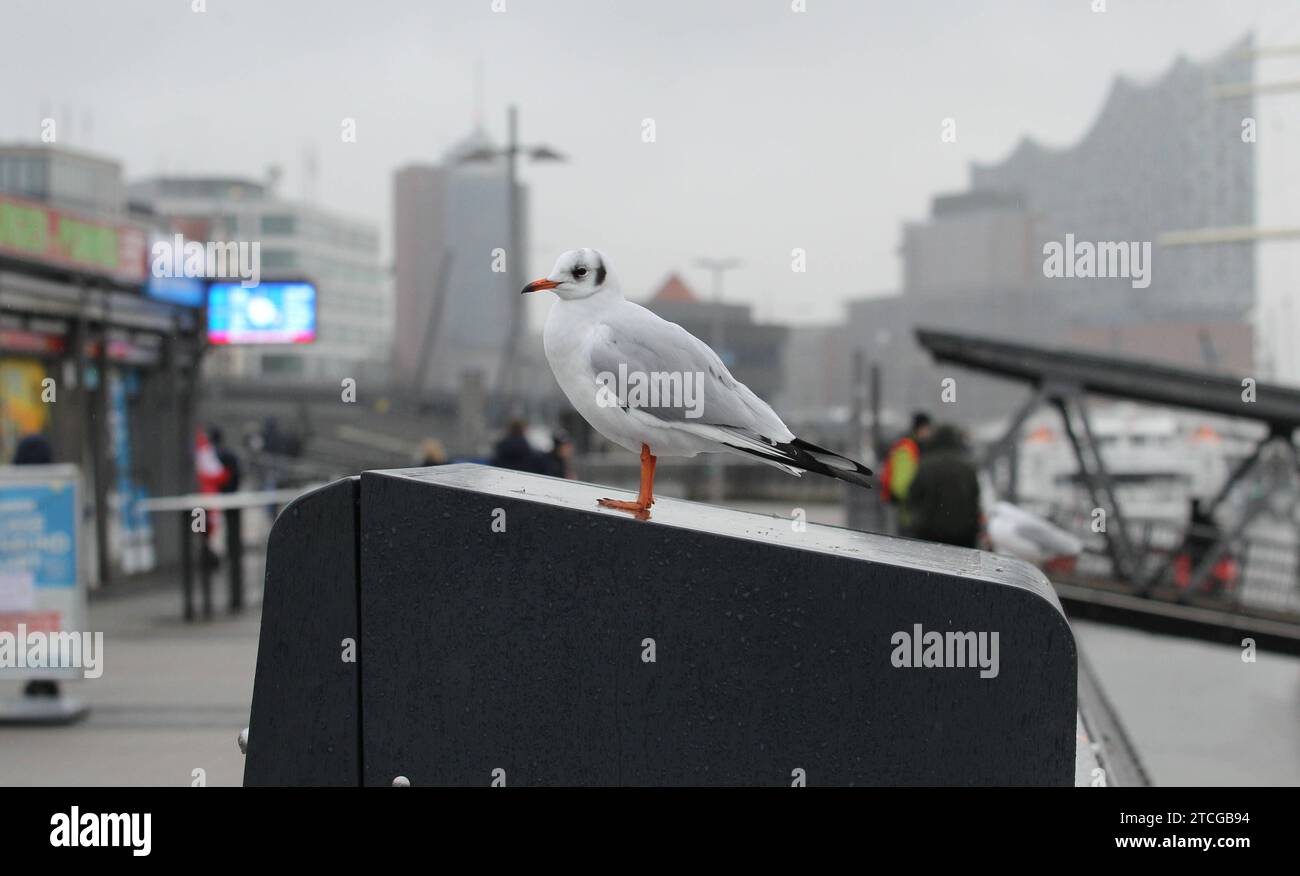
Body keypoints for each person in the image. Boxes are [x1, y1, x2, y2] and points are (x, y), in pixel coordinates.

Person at [12, 433, 58, 698]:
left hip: (19, 575)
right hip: (52, 574)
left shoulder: (12, 495)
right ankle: (46, 675)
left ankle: (38, 675)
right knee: (46, 621)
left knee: (26, 622)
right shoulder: (57, 492)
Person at [907, 424, 981, 549]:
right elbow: (974, 498)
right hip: (963, 534)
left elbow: (912, 496)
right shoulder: (967, 466)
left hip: (929, 533)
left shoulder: (926, 465)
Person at [881, 412, 932, 536]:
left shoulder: (913, 446)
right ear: (921, 428)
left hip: (908, 511)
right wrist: (918, 497)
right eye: (928, 429)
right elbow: (900, 486)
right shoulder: (907, 448)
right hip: (906, 512)